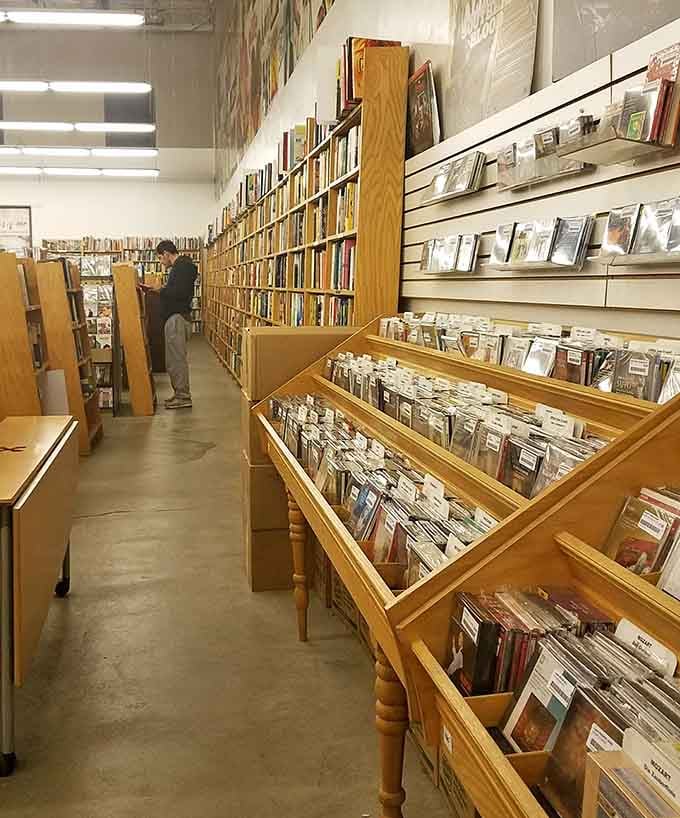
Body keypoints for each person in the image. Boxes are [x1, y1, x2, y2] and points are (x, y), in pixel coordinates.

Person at [155, 240, 198, 409]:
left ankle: (183, 397)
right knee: (173, 360)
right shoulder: (181, 267)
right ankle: (179, 393)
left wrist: (161, 290)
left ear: (166, 253)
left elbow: (179, 293)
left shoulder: (181, 267)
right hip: (177, 318)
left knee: (176, 360)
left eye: (160, 258)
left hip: (177, 319)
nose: (161, 262)